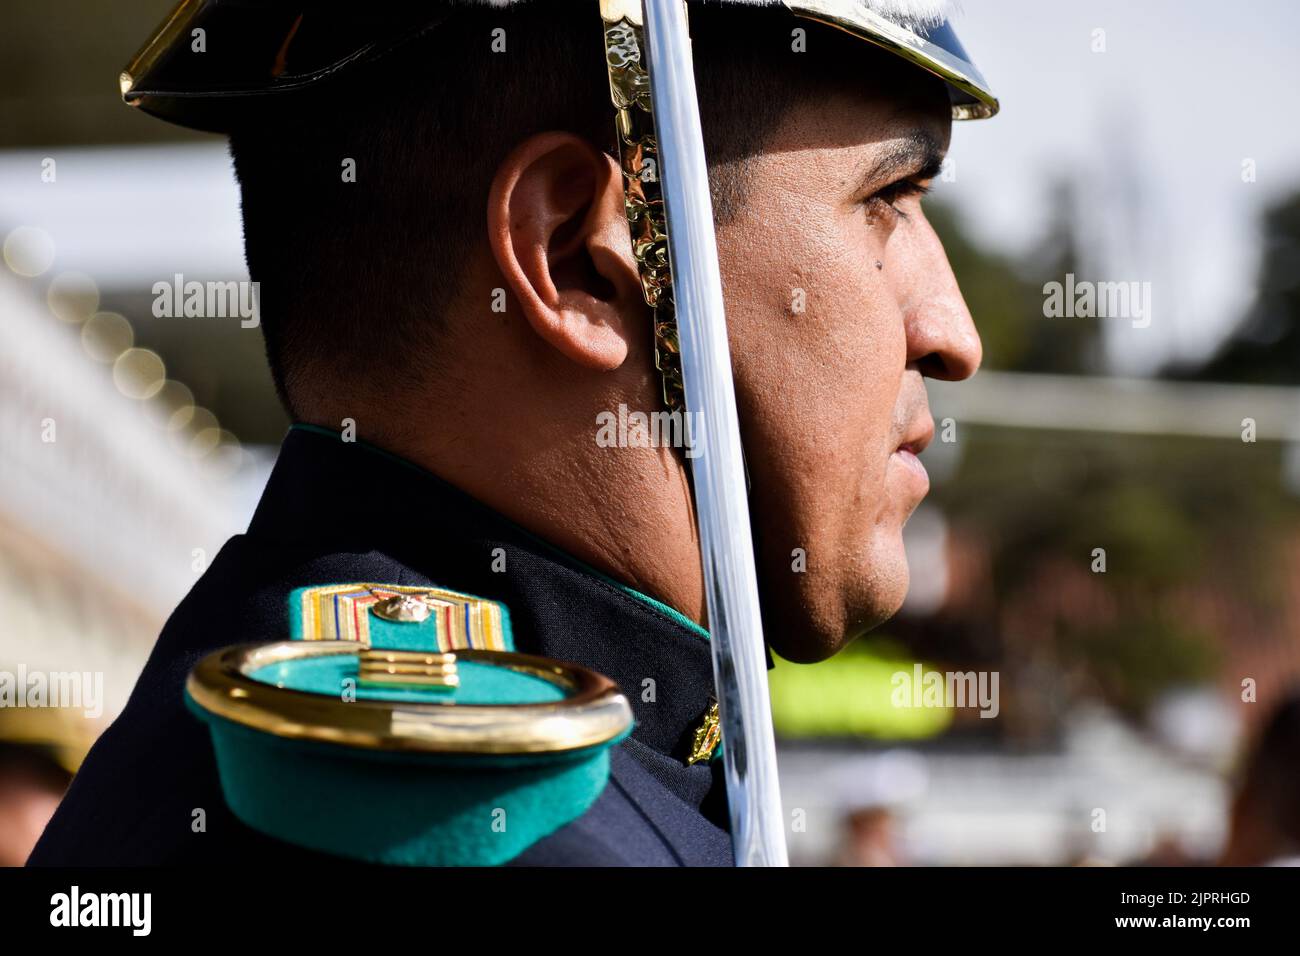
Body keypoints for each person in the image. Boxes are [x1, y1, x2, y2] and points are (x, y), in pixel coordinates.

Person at [30, 0, 993, 866]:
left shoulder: (272, 743)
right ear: (576, 259)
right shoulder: (471, 832)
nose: (955, 336)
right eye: (892, 199)